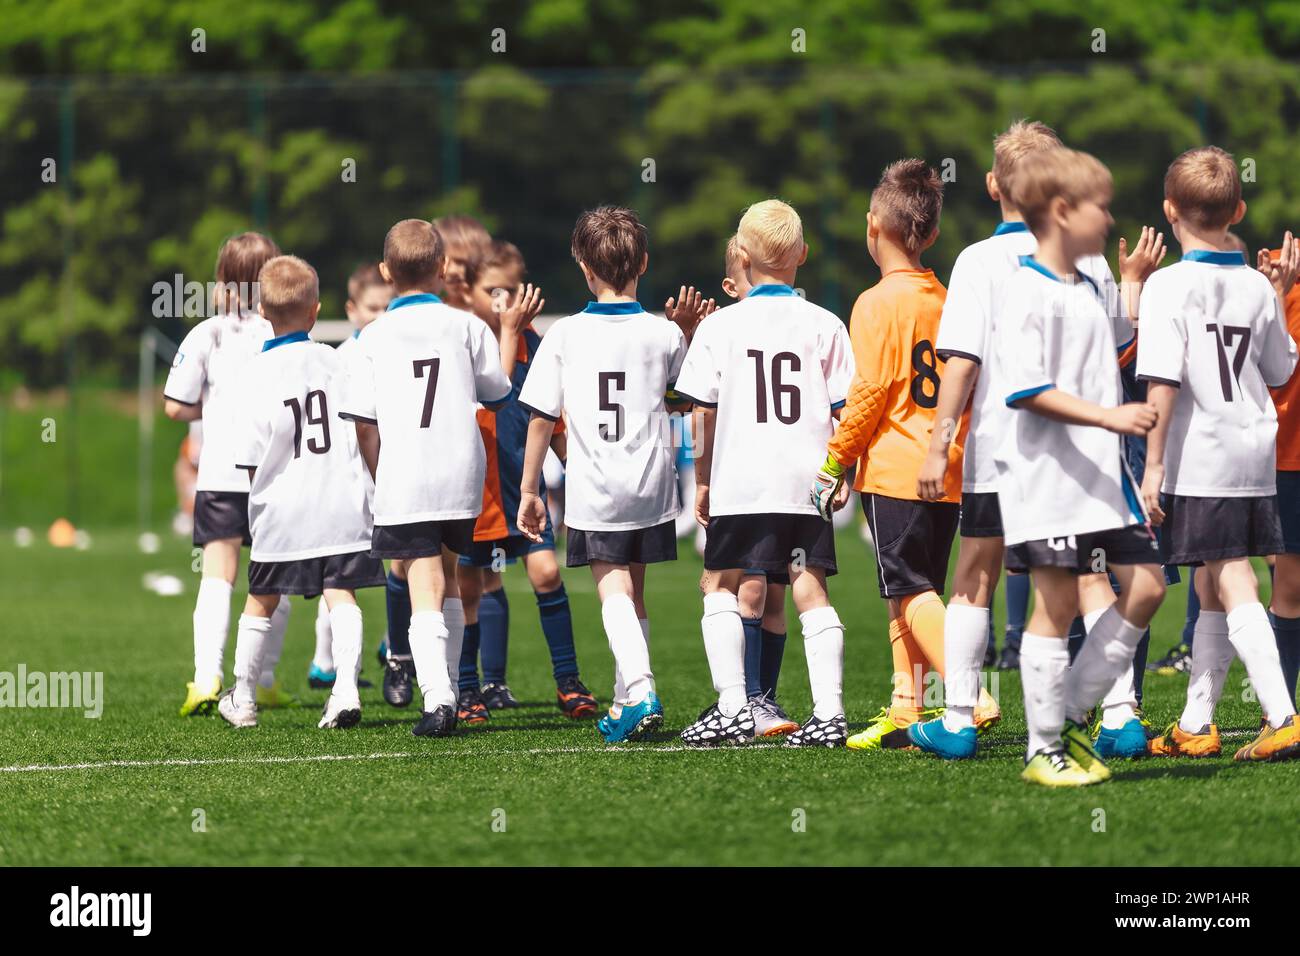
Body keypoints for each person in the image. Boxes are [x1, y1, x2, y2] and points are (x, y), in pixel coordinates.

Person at [810, 159, 1001, 751]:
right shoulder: (949, 297)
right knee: (911, 588)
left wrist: (836, 460)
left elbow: (867, 395)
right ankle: (906, 709)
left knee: (910, 587)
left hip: (895, 466)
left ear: (872, 226)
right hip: (947, 467)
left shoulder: (874, 302)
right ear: (934, 235)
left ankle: (973, 695)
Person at [517, 205, 708, 742]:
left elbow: (540, 418)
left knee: (613, 592)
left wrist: (530, 488)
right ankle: (627, 700)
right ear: (643, 263)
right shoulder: (662, 334)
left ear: (583, 266)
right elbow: (679, 403)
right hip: (651, 484)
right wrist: (688, 335)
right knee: (634, 592)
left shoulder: (564, 335)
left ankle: (641, 689)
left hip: (596, 484)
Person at [674, 199, 855, 747]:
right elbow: (848, 408)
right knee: (808, 585)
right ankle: (830, 714)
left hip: (742, 480)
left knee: (719, 583)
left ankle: (734, 707)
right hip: (807, 482)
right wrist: (840, 468)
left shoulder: (718, 327)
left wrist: (701, 479)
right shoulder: (826, 323)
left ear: (743, 256)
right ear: (803, 253)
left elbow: (701, 412)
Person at [1140, 147, 1300, 760]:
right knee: (1210, 582)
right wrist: (1278, 293)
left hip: (1201, 453)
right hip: (1253, 448)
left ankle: (1283, 715)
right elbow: (1282, 369)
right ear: (1239, 208)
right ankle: (1196, 722)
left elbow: (1161, 382)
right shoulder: (1258, 288)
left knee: (1230, 573)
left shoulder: (1166, 285)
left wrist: (1152, 467)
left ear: (1168, 209)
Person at [340, 219, 512, 737]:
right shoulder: (467, 326)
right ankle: (453, 689)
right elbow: (497, 393)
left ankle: (438, 697)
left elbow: (365, 427)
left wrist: (379, 476)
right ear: (442, 268)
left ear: (386, 271)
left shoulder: (373, 336)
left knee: (422, 579)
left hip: (407, 472)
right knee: (453, 578)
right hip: (461, 470)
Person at [220, 255, 386, 729]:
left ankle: (244, 697)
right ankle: (347, 689)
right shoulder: (339, 361)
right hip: (342, 503)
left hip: (282, 509)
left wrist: (262, 506)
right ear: (316, 310)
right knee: (342, 595)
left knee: (261, 599)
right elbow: (365, 429)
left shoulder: (252, 374)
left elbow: (250, 459)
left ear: (261, 313)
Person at [456, 239, 598, 721]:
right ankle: (468, 689)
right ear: (470, 292)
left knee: (547, 573)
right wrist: (506, 332)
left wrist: (576, 465)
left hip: (522, 490)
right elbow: (486, 397)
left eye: (511, 290)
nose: (503, 300)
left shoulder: (536, 344)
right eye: (491, 290)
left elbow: (552, 417)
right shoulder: (465, 340)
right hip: (475, 492)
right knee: (469, 590)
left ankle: (568, 680)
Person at [164, 232, 294, 717]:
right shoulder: (283, 334)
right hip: (273, 476)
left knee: (217, 577)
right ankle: (261, 679)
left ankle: (205, 678)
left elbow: (175, 407)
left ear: (222, 282)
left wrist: (213, 405)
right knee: (272, 580)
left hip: (220, 474)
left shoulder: (208, 333)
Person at [309, 262, 392, 690]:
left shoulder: (396, 350)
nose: (380, 315)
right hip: (349, 480)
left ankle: (391, 643)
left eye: (387, 306)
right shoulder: (338, 359)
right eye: (372, 307)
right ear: (351, 309)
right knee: (338, 575)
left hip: (389, 479)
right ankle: (326, 661)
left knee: (406, 565)